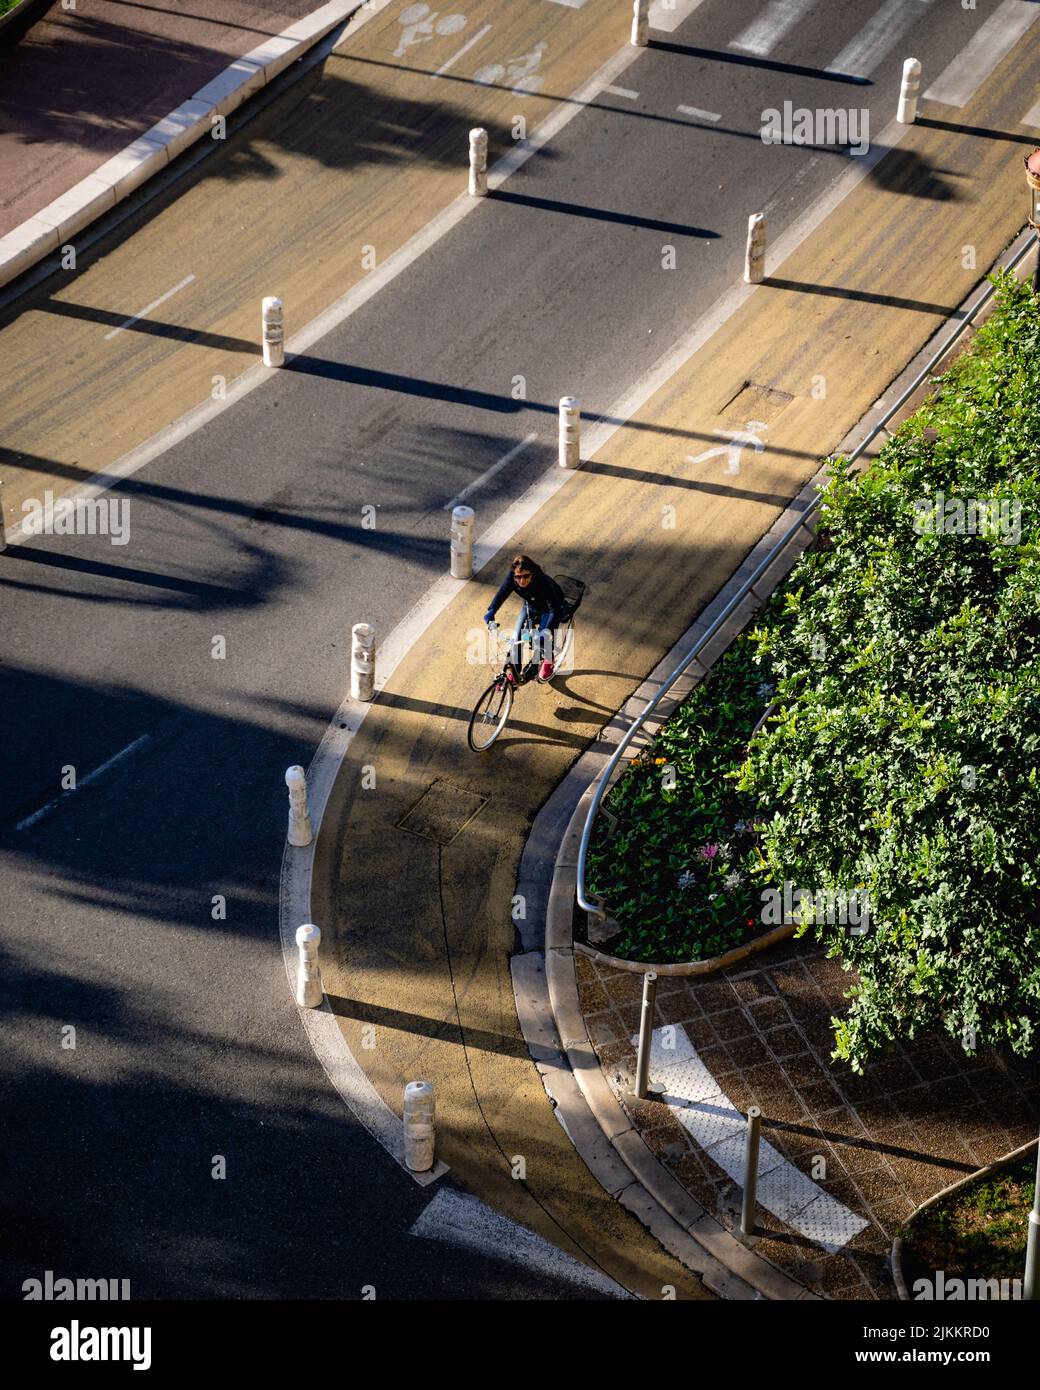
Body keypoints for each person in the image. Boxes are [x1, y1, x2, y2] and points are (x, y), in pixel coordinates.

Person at [483, 554, 566, 682]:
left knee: (543, 640)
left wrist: (547, 631)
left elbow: (554, 610)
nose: (521, 581)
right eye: (518, 577)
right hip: (531, 606)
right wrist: (492, 610)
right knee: (517, 638)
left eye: (526, 576)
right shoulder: (512, 577)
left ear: (532, 573)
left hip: (549, 609)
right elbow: (502, 594)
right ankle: (516, 673)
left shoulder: (543, 582)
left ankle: (549, 660)